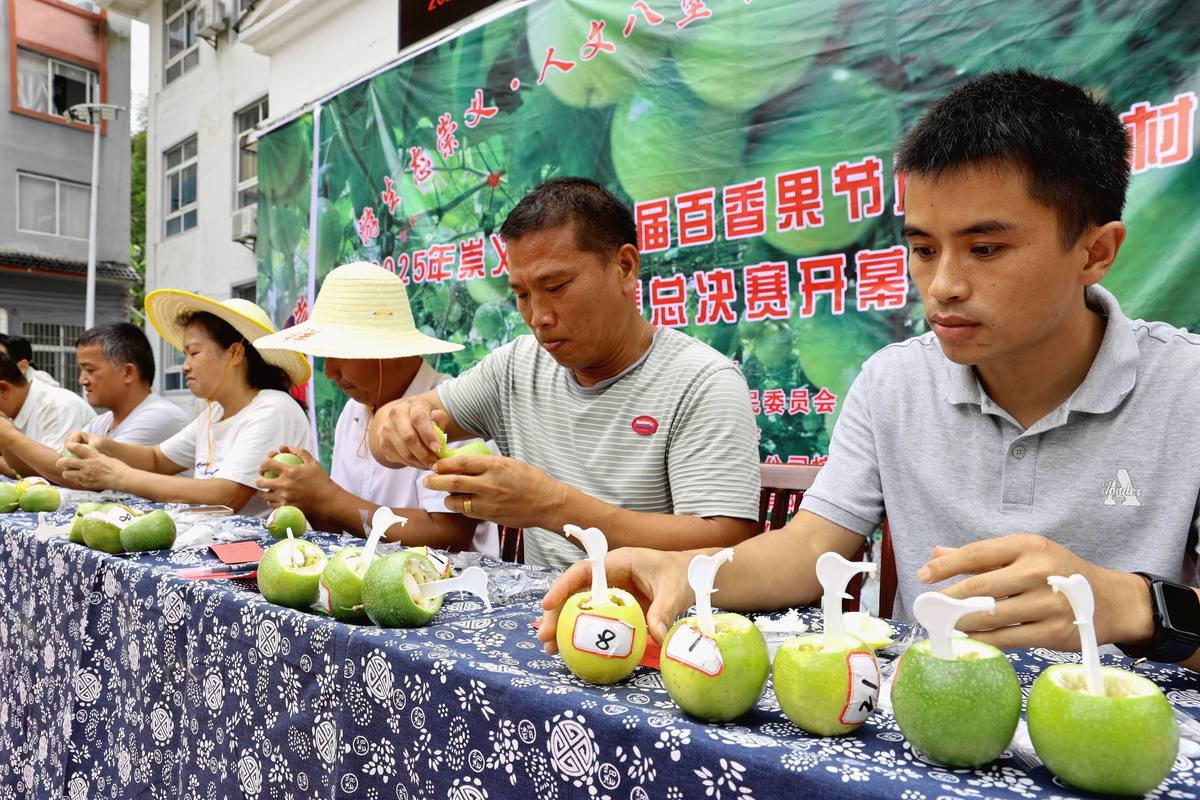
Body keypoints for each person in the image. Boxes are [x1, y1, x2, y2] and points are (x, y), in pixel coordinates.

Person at [539, 69, 1200, 670]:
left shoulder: (1187, 388)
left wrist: (1133, 607)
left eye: (986, 247)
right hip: (931, 728)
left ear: (1096, 252)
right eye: (922, 248)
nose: (942, 286)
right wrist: (685, 570)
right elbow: (807, 551)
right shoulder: (892, 383)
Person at [368, 177, 762, 569]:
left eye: (555, 287)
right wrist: (393, 427)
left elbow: (724, 541)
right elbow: (395, 426)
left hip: (660, 618)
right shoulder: (515, 368)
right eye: (522, 295)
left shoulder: (702, 381)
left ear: (625, 267)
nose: (538, 317)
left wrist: (553, 506)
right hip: (546, 614)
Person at [252, 262, 498, 555]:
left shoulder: (451, 412)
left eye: (338, 354)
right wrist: (307, 496)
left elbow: (448, 535)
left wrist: (329, 497)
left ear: (388, 351)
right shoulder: (353, 411)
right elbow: (349, 522)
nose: (329, 371)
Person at [59, 293, 312, 516]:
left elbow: (227, 496)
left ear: (235, 353)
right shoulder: (214, 414)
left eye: (194, 353)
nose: (185, 365)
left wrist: (119, 476)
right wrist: (102, 445)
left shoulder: (272, 408)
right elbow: (158, 459)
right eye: (185, 355)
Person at [0, 322, 190, 485]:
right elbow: (45, 472)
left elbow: (85, 478)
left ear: (128, 373)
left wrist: (10, 437)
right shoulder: (102, 423)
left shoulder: (157, 416)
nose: (82, 380)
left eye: (90, 370)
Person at [0, 351, 95, 478]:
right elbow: (24, 472)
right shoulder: (14, 410)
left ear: (4, 389)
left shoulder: (57, 406)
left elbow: (63, 473)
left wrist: (9, 437)